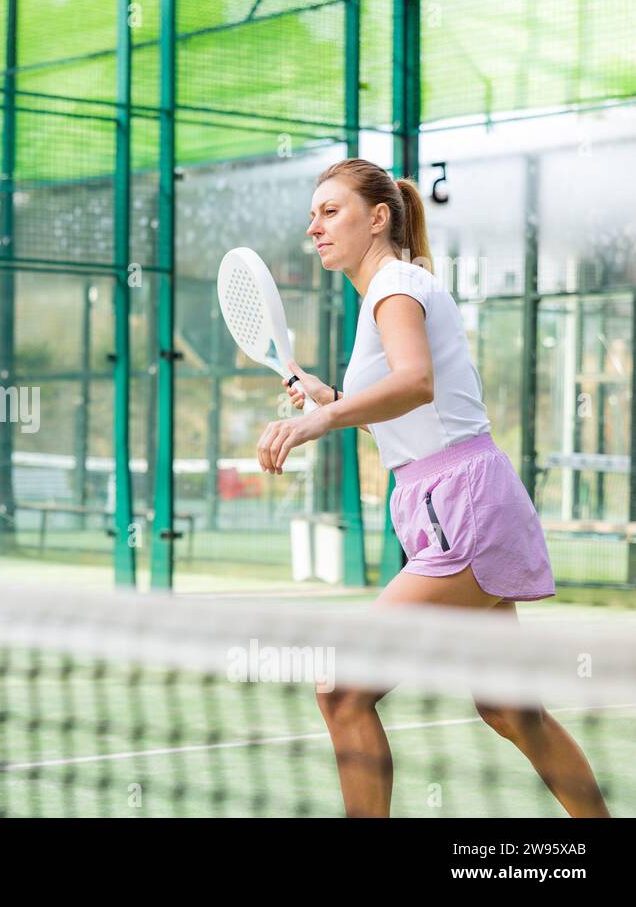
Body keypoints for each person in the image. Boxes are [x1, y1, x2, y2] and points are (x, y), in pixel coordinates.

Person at [259, 158, 608, 817]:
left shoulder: (395, 285)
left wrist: (324, 419)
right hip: (455, 500)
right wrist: (330, 397)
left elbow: (415, 382)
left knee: (341, 689)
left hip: (463, 507)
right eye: (312, 215)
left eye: (330, 212)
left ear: (378, 218)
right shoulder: (392, 290)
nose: (314, 228)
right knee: (511, 708)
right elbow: (413, 415)